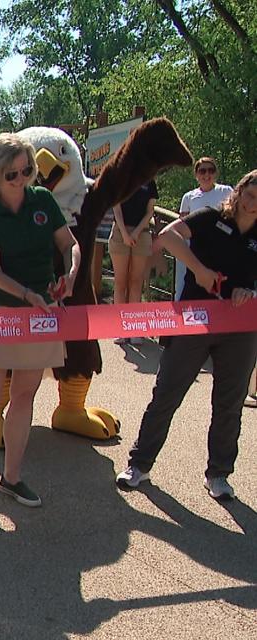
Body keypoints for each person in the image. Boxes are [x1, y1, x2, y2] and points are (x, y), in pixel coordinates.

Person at [116, 170, 257, 500]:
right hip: (196, 317)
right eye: (249, 195)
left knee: (229, 403)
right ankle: (140, 464)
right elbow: (167, 236)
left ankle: (219, 474)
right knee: (167, 392)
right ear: (239, 192)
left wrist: (249, 291)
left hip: (240, 326)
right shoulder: (211, 217)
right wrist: (199, 270)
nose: (253, 204)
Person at [0, 133, 81, 508]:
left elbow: (69, 243)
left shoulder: (43, 200)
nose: (21, 179)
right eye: (12, 173)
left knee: (26, 395)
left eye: (27, 170)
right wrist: (28, 295)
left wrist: (72, 271)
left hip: (42, 314)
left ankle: (12, 478)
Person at [176, 157, 232, 300]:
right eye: (202, 171)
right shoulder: (188, 197)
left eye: (211, 170)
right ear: (196, 175)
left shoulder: (226, 191)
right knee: (185, 286)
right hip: (193, 250)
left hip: (219, 249)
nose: (207, 175)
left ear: (216, 173)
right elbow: (181, 223)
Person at [110, 179, 158, 345]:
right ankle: (120, 328)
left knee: (136, 281)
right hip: (119, 233)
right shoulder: (121, 178)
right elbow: (116, 208)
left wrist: (136, 232)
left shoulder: (149, 182)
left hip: (142, 233)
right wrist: (124, 233)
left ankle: (134, 327)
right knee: (120, 282)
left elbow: (150, 211)